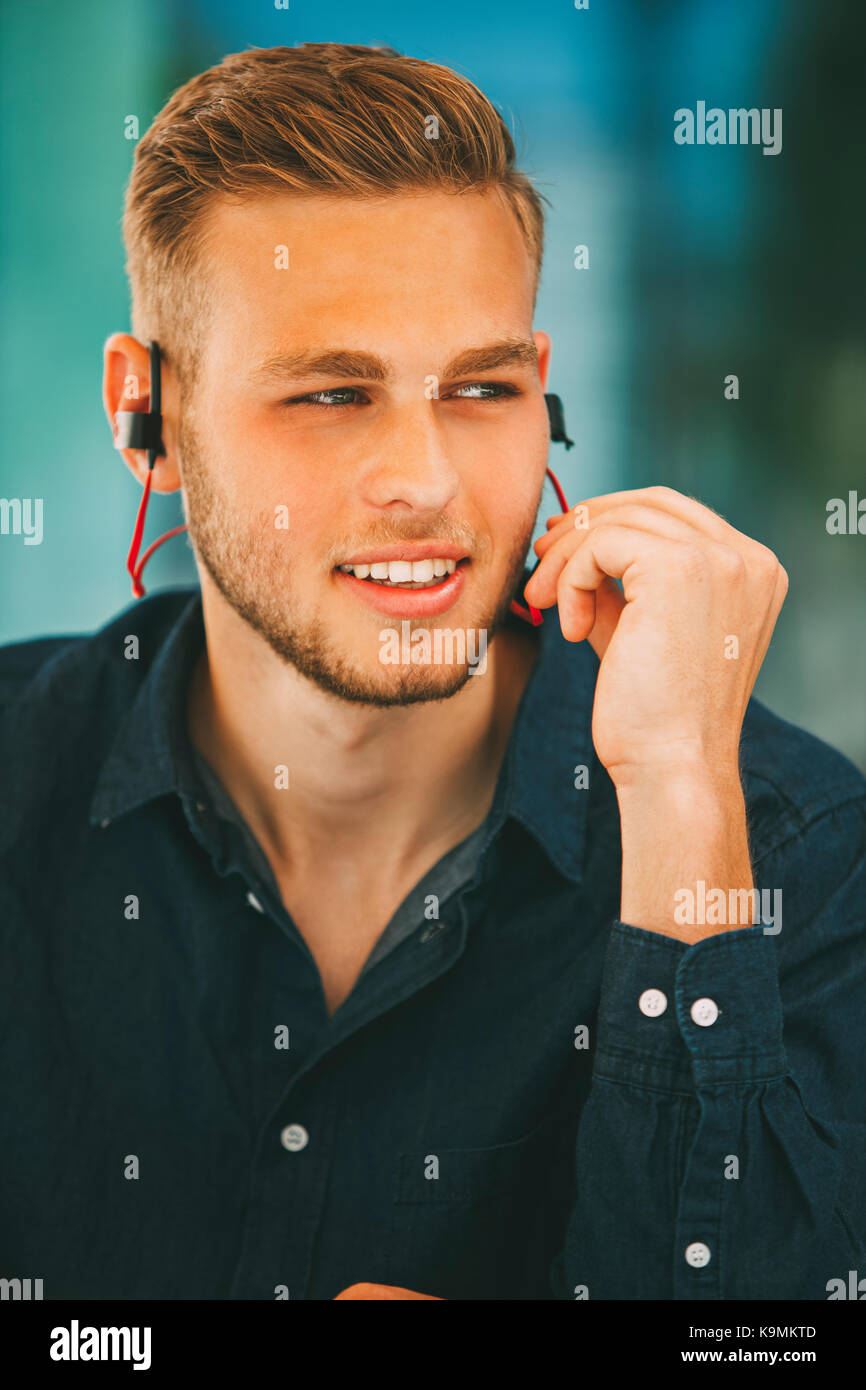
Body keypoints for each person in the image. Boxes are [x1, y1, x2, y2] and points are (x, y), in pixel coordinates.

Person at [1, 42, 864, 1302]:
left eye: (478, 386)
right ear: (150, 415)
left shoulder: (790, 852)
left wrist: (680, 791)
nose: (429, 480)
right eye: (331, 394)